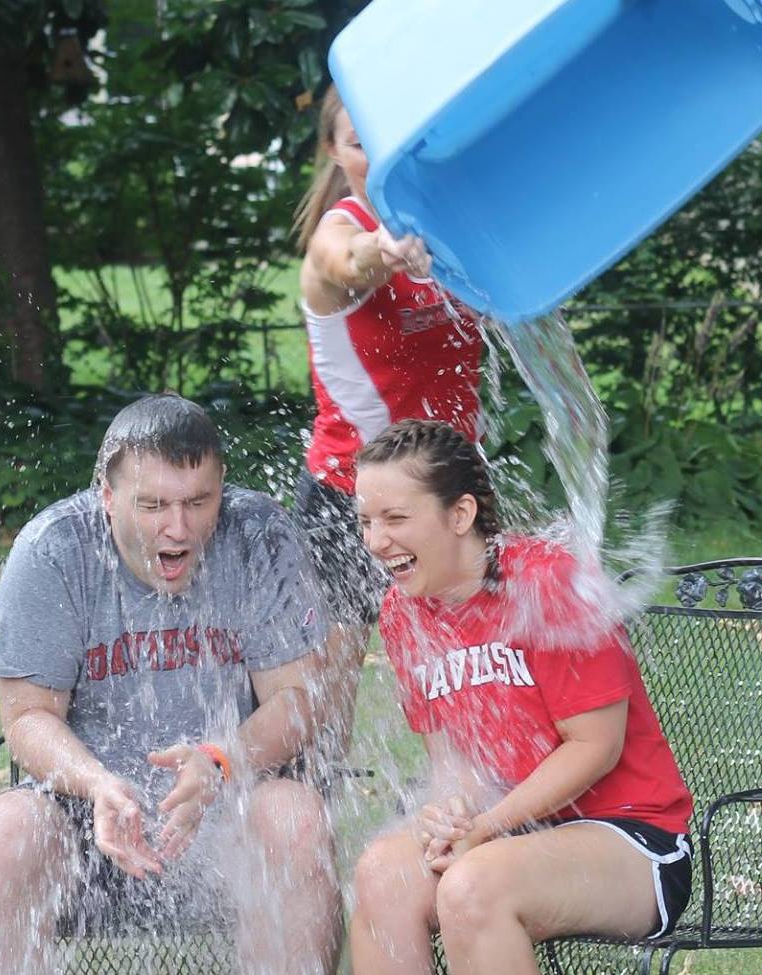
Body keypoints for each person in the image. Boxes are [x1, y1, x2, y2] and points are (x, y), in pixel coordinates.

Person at [0, 393, 340, 975]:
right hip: (85, 830)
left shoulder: (258, 535)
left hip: (230, 814)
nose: (177, 528)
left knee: (297, 816)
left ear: (222, 487)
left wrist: (220, 759)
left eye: (197, 502)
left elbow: (300, 700)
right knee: (2, 832)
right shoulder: (54, 550)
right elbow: (28, 716)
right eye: (152, 505)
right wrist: (96, 783)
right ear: (107, 498)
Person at [349, 419, 694, 975]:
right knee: (380, 875)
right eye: (366, 521)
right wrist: (452, 814)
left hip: (632, 838)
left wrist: (488, 827)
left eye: (395, 518)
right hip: (515, 834)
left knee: (471, 888)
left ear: (459, 515)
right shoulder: (404, 613)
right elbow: (454, 762)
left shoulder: (547, 584)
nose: (375, 541)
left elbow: (595, 747)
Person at [293, 85, 484, 756]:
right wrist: (386, 250)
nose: (380, 153)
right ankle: (307, 831)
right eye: (358, 142)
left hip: (450, 495)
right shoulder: (335, 234)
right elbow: (343, 261)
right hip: (349, 499)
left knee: (471, 674)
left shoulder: (459, 227)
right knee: (324, 695)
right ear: (333, 152)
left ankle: (467, 828)